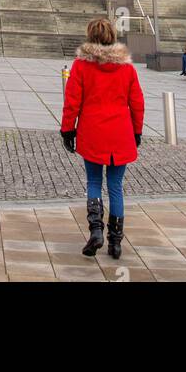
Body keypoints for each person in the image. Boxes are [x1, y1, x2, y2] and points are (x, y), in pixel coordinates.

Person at [60, 17, 144, 259]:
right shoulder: (126, 68)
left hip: (93, 132)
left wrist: (68, 130)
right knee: (116, 187)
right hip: (120, 133)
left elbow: (72, 102)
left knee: (94, 182)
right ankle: (115, 243)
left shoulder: (81, 66)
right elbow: (137, 103)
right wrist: (137, 131)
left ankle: (96, 230)